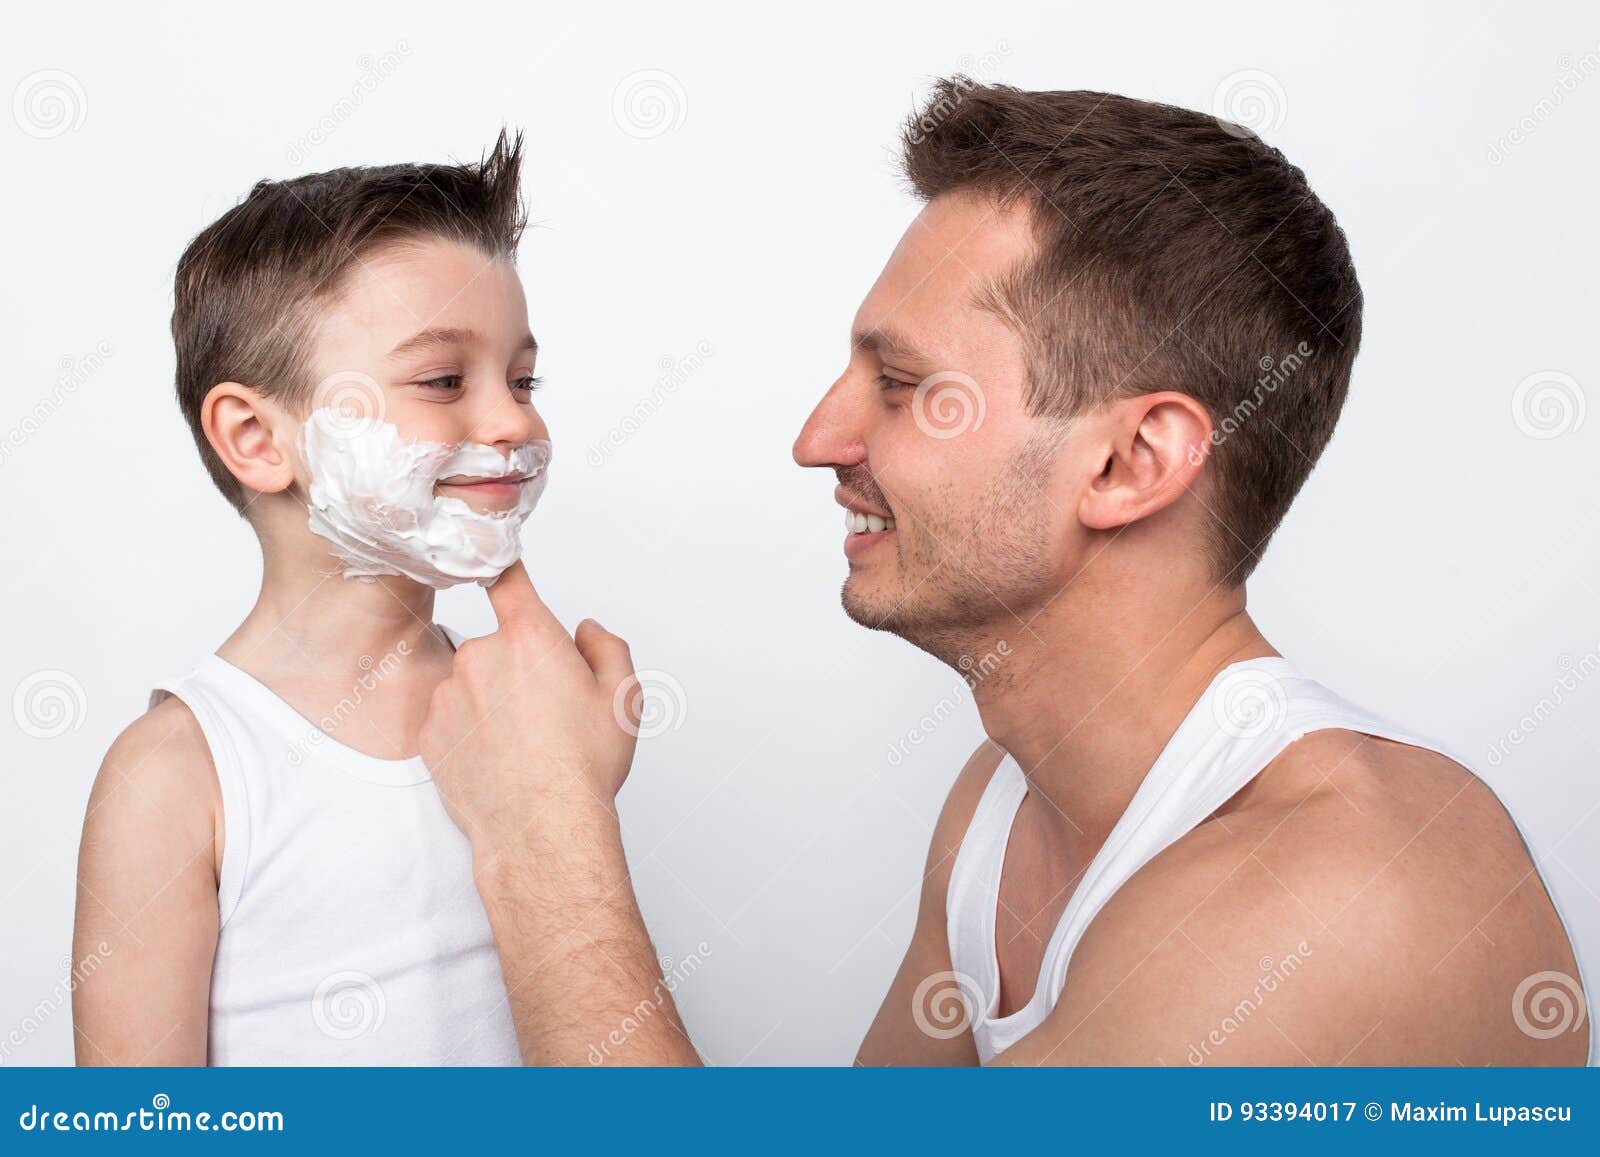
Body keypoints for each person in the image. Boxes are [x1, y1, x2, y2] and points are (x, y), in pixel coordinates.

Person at [420, 81, 1594, 1065]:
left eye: (900, 384)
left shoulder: (1334, 889)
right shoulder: (1005, 802)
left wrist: (545, 836)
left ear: (1130, 461)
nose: (817, 439)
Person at [71, 131, 558, 1064]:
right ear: (256, 437)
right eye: (443, 379)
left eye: (525, 377)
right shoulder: (179, 774)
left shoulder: (529, 705)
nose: (513, 419)